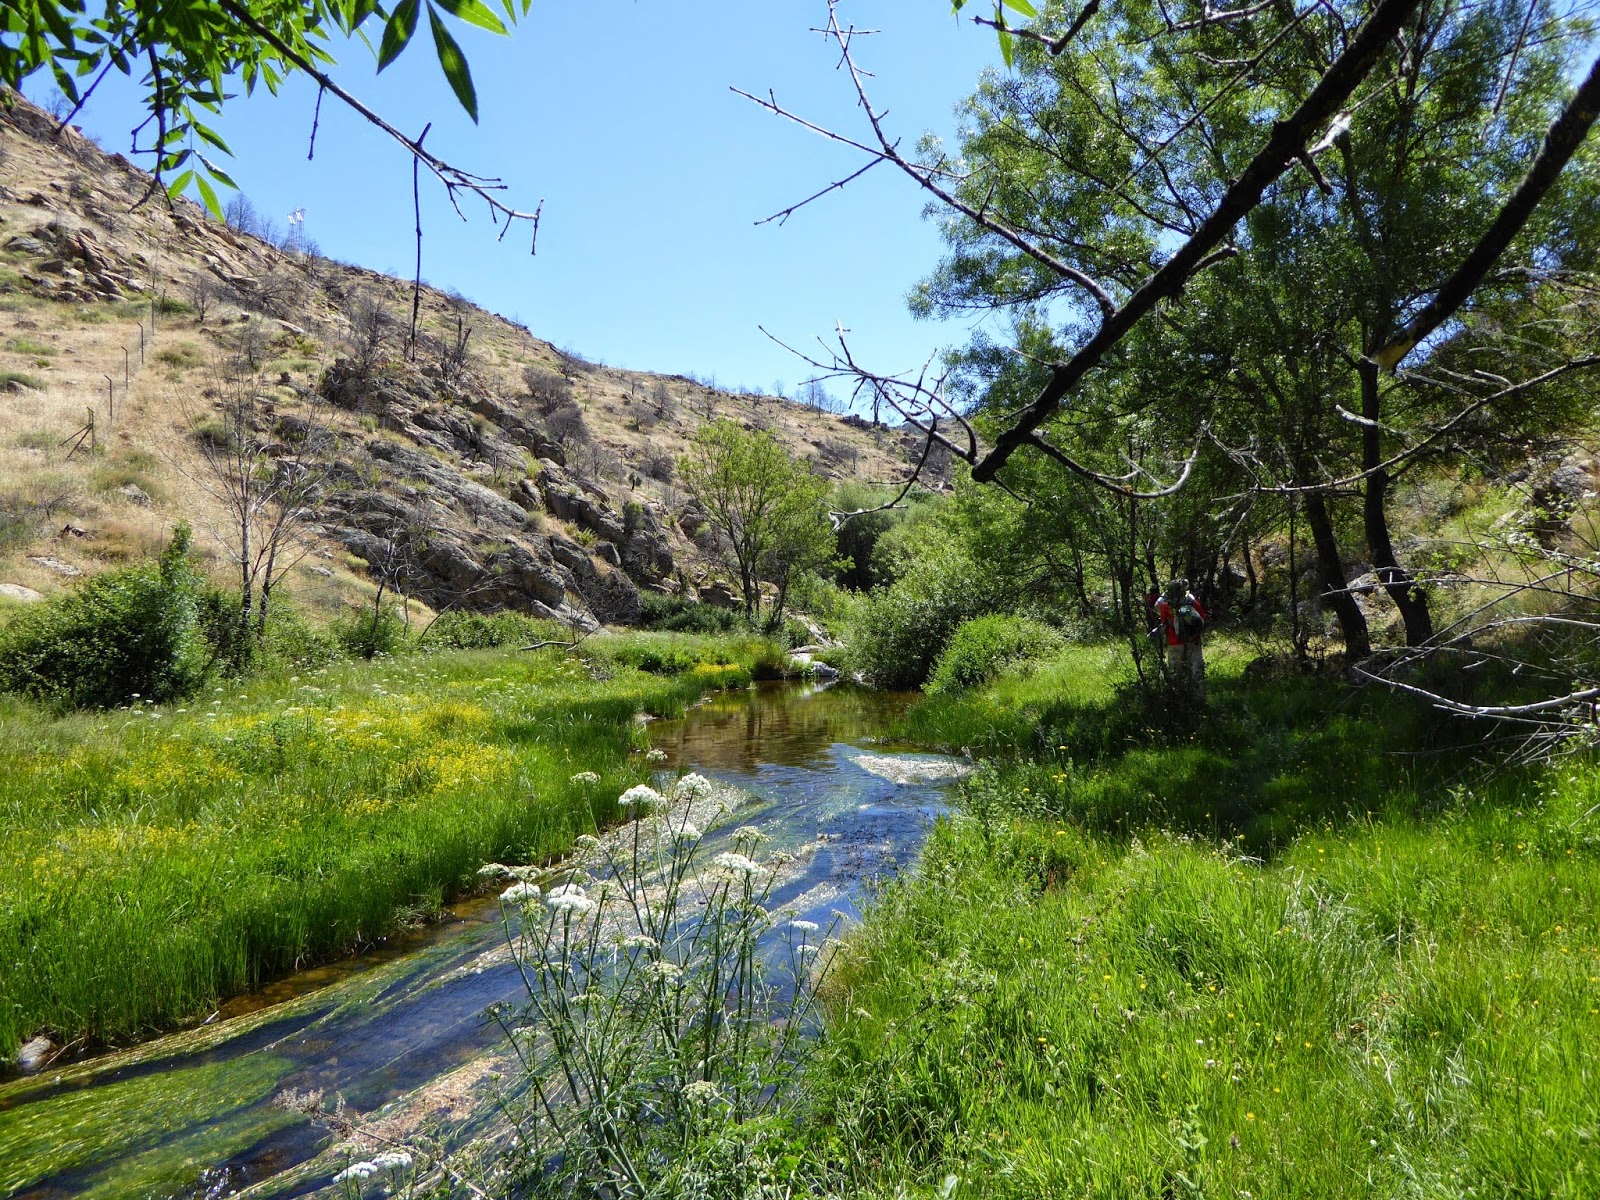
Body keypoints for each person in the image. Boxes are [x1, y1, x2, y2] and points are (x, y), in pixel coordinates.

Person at [1156, 577, 1206, 695]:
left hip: (1174, 642)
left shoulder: (1165, 606)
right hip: (1193, 641)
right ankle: (1199, 696)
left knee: (1175, 671)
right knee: (1196, 669)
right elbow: (1203, 618)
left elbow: (1164, 624)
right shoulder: (1192, 602)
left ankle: (1177, 697)